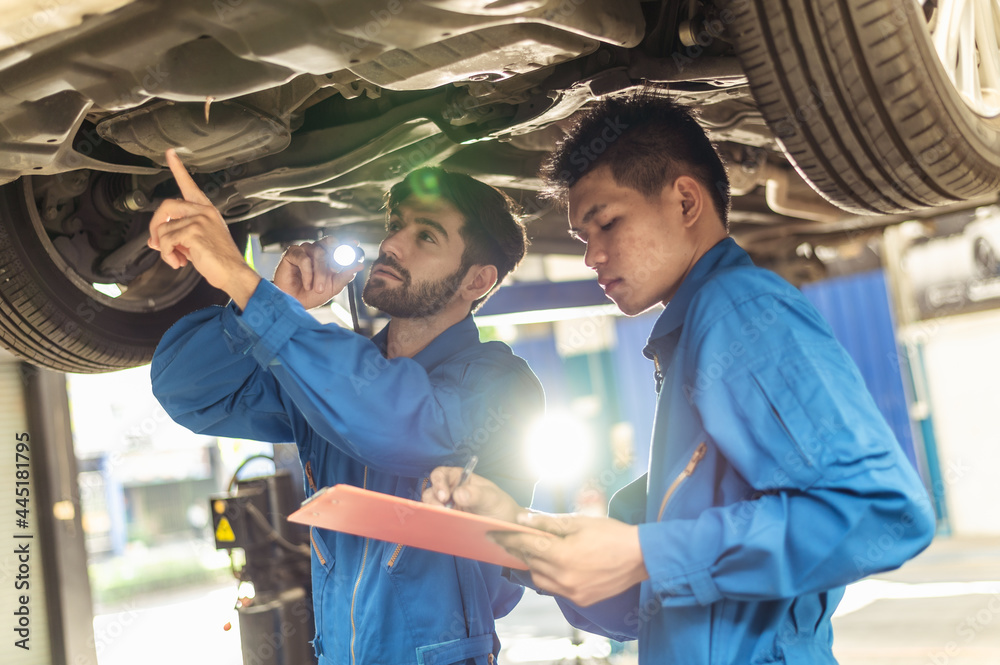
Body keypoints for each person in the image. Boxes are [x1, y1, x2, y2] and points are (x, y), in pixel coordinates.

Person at [423, 93, 937, 664]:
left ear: (686, 201)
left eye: (607, 224)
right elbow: (638, 605)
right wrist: (516, 533)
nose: (592, 257)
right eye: (583, 239)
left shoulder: (739, 308)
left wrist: (646, 552)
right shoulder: (688, 344)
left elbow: (885, 511)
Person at [148, 150, 545, 665]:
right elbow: (187, 391)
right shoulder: (327, 374)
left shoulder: (498, 383)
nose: (392, 244)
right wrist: (269, 303)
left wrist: (243, 282)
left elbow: (394, 425)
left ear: (477, 281)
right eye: (396, 225)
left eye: (426, 236)